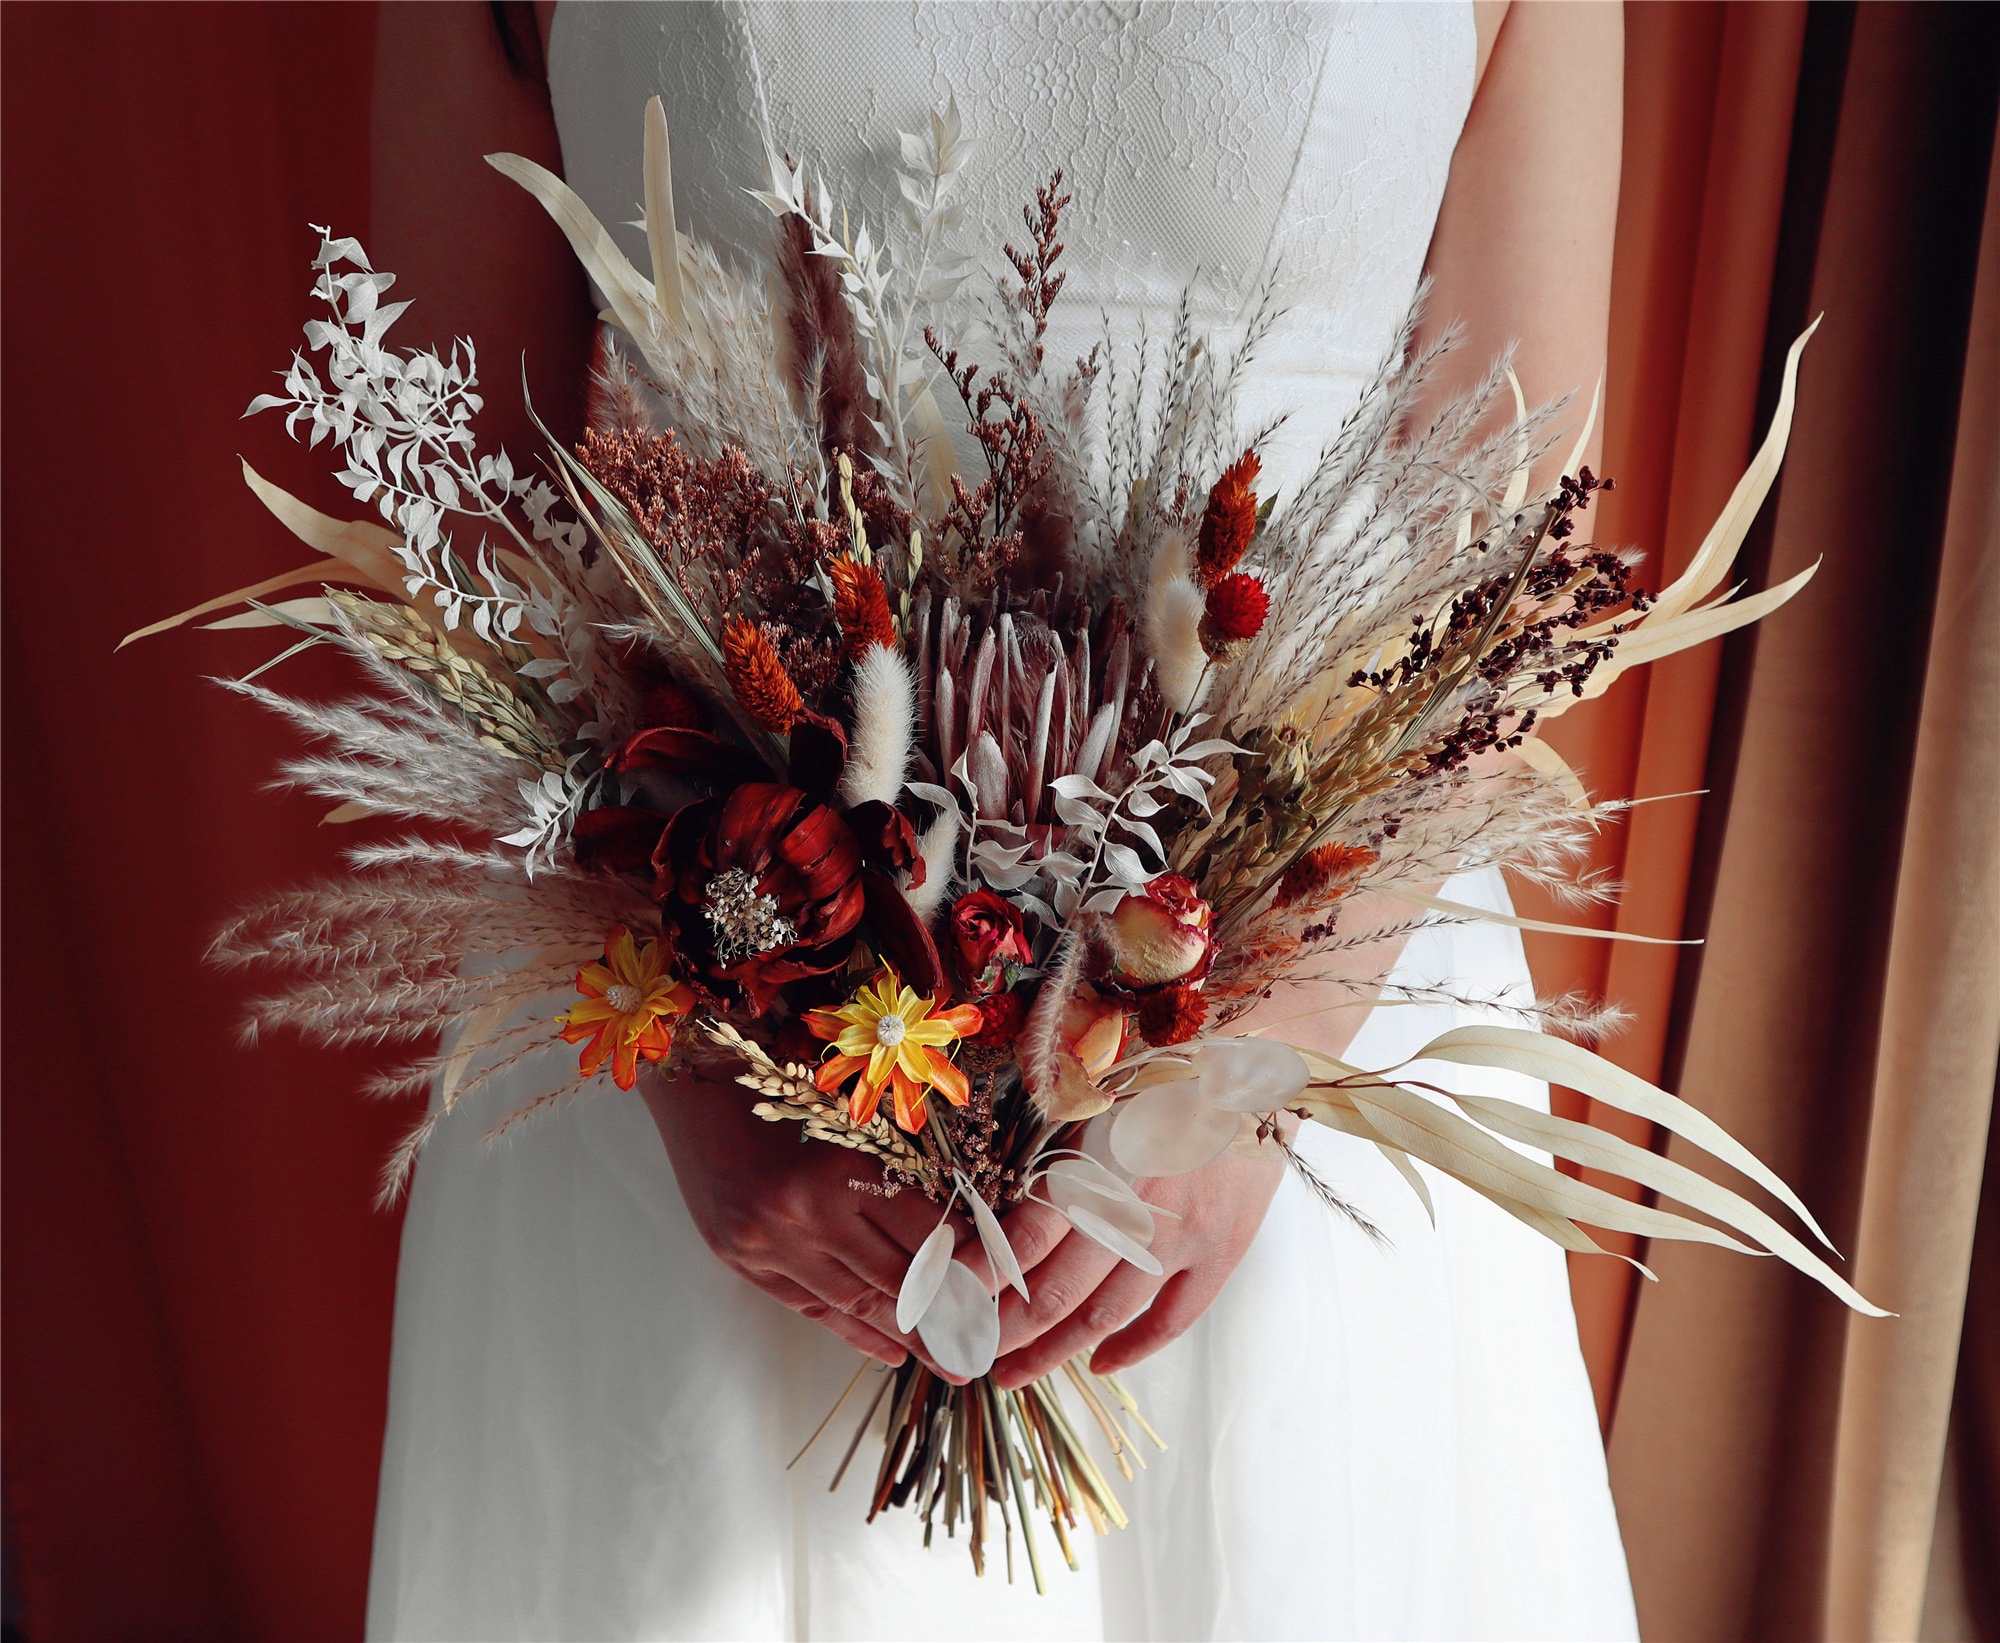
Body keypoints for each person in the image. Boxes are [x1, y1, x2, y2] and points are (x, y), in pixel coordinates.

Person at [365, 4, 1639, 1637]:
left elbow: (1504, 558)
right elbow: (454, 513)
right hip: (693, 1021)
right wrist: (700, 1063)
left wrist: (1260, 1070)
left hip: (1308, 1064)